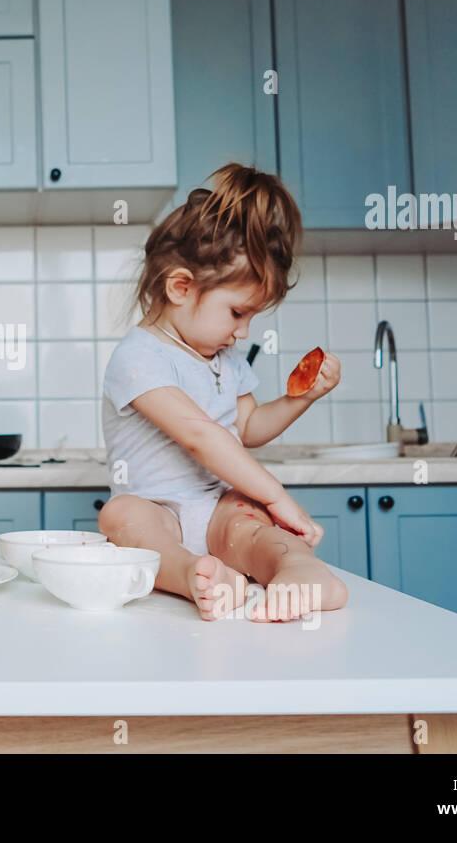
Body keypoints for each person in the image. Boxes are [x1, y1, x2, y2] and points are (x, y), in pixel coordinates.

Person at [99, 163, 348, 623]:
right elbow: (201, 436)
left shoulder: (225, 361)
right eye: (237, 313)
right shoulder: (138, 357)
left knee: (248, 517)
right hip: (159, 510)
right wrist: (276, 494)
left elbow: (247, 429)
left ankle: (297, 568)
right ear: (180, 287)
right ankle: (191, 572)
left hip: (217, 508)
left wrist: (302, 398)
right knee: (121, 515)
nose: (243, 332)